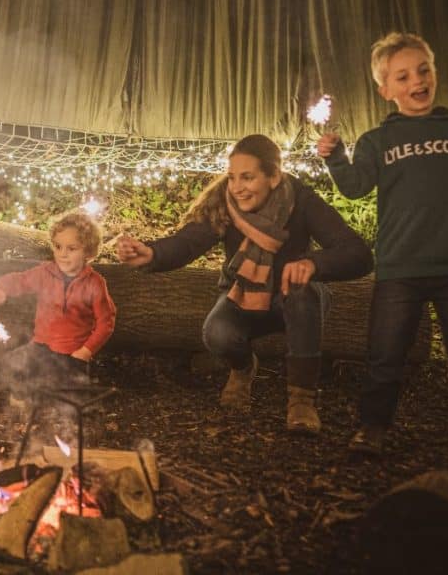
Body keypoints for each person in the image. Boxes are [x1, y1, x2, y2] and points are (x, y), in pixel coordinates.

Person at [317, 32, 448, 467]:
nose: (417, 80)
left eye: (423, 70)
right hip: (399, 269)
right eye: (403, 75)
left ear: (433, 73)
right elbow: (356, 188)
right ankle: (372, 430)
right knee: (385, 355)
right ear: (386, 89)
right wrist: (335, 157)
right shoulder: (378, 140)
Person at [117, 135, 372, 434]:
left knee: (302, 295)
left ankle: (302, 401)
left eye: (248, 177)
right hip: (244, 297)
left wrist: (314, 263)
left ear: (274, 176)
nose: (237, 187)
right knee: (217, 333)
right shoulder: (226, 204)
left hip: (295, 299)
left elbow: (358, 254)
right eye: (232, 177)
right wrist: (152, 253)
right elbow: (190, 241)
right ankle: (242, 369)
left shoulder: (301, 200)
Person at [0, 212, 116, 411]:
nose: (62, 254)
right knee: (13, 364)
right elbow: (20, 280)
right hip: (41, 346)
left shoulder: (94, 284)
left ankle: (65, 417)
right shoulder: (45, 273)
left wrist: (86, 351)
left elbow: (106, 323)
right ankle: (22, 406)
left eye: (71, 248)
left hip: (72, 353)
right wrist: (2, 288)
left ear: (88, 252)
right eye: (58, 247)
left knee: (69, 402)